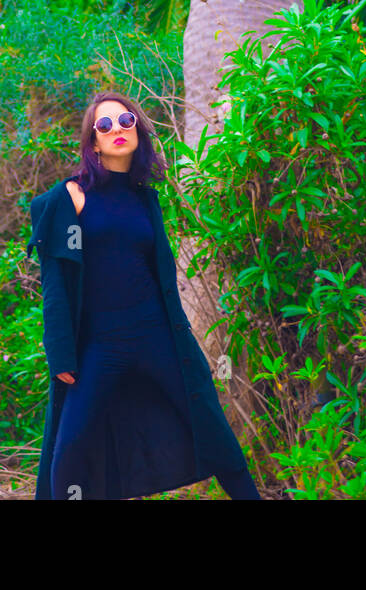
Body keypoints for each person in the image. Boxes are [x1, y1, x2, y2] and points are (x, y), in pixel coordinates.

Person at [30, 89, 262, 500]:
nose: (116, 129)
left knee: (209, 425)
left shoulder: (144, 199)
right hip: (100, 347)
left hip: (158, 337)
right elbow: (55, 285)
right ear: (92, 141)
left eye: (125, 121)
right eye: (104, 124)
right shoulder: (70, 198)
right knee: (70, 448)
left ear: (138, 131)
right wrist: (60, 352)